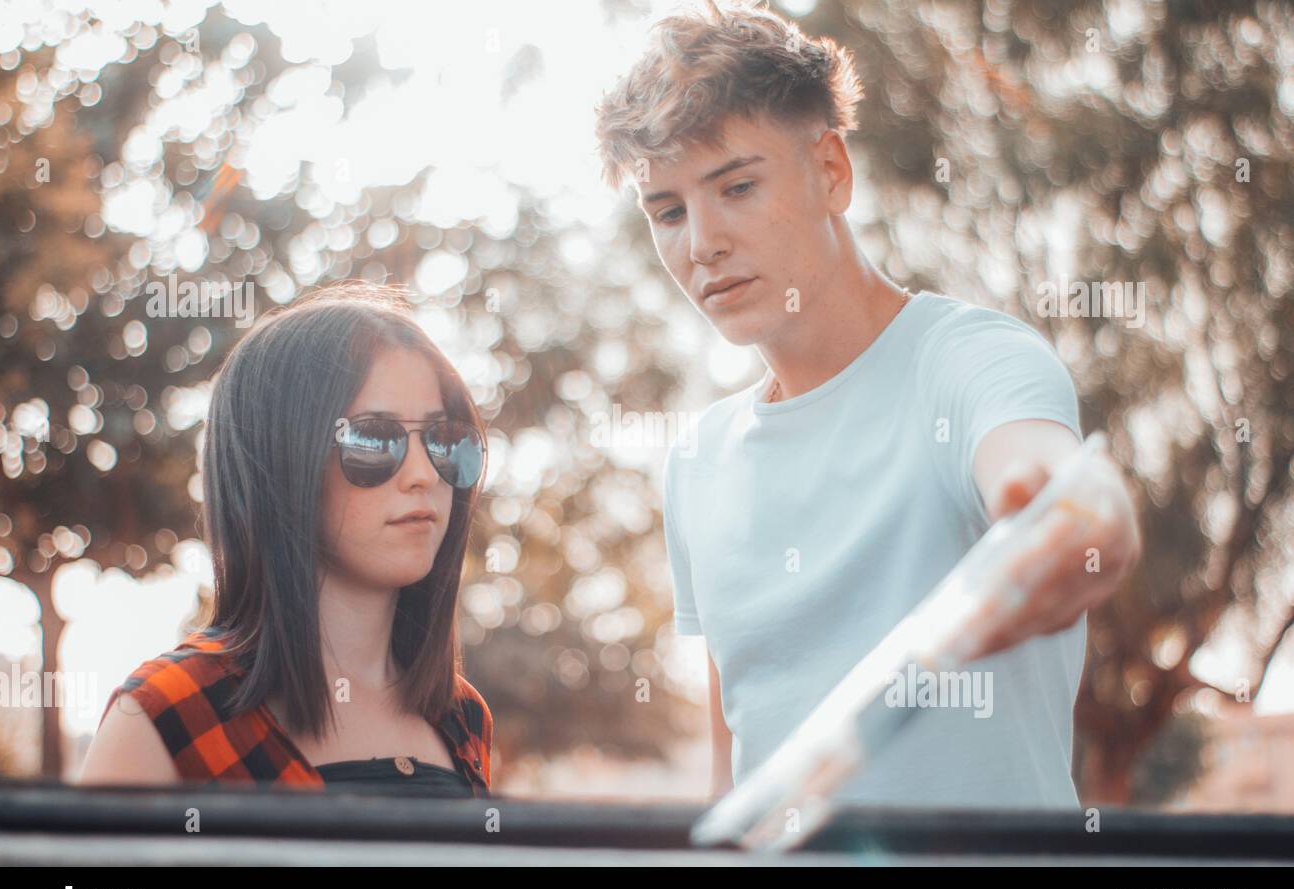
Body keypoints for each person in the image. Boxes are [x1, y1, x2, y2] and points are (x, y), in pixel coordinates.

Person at [594, 0, 1141, 808]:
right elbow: (734, 769)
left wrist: (1074, 518)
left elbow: (1062, 490)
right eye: (667, 211)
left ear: (831, 171)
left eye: (736, 186)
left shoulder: (971, 362)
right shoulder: (698, 458)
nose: (700, 241)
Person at [78, 282, 493, 797]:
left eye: (443, 440)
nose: (423, 474)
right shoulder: (167, 716)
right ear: (282, 461)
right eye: (371, 438)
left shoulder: (461, 715)